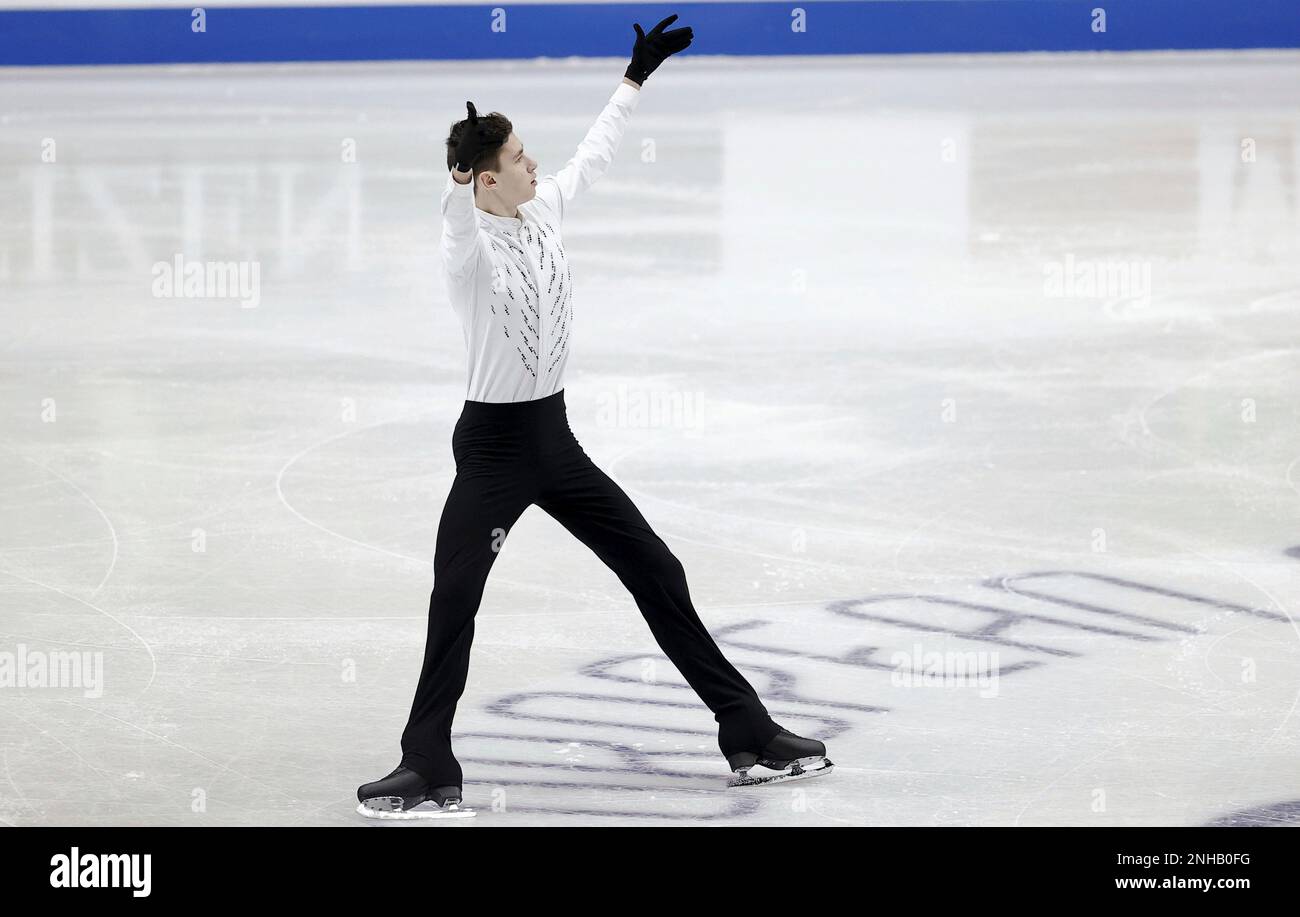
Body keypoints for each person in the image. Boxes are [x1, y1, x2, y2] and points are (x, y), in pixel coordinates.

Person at [357, 14, 831, 819]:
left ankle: (745, 728)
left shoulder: (543, 210)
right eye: (514, 158)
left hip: (554, 440)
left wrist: (635, 76)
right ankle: (427, 761)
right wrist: (461, 164)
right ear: (483, 179)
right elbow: (452, 210)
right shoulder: (465, 249)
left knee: (655, 567)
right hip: (494, 450)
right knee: (456, 596)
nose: (532, 163)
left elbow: (594, 157)